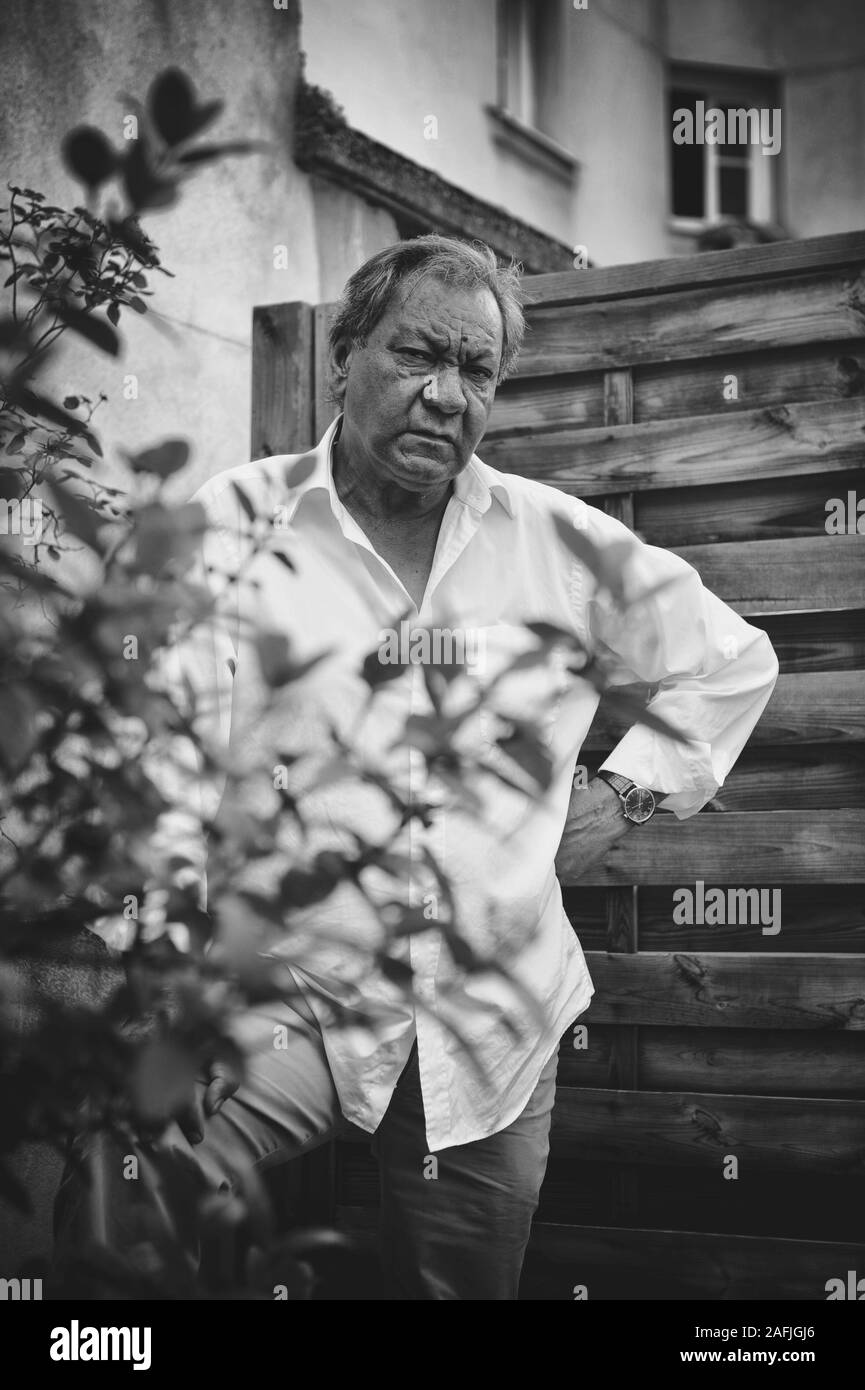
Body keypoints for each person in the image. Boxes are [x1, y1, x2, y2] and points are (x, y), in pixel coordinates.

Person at [56, 235, 779, 1300]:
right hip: (285, 992)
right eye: (418, 356)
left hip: (491, 1017)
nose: (446, 395)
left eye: (476, 371)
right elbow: (155, 761)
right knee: (114, 1211)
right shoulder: (227, 526)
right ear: (346, 355)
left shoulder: (560, 546)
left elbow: (734, 662)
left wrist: (620, 793)